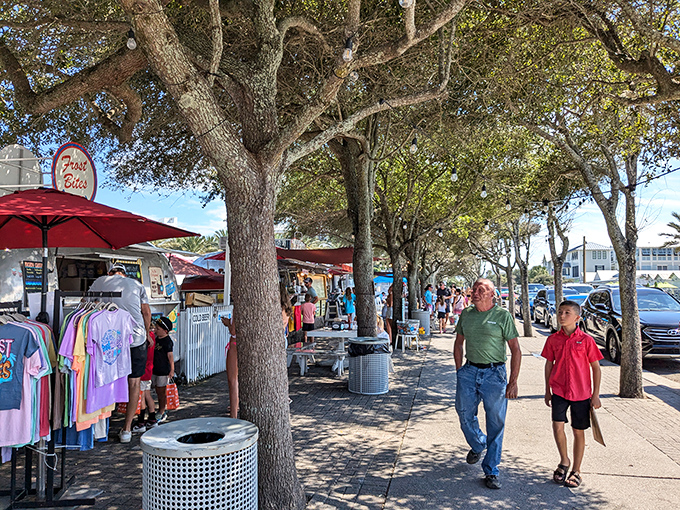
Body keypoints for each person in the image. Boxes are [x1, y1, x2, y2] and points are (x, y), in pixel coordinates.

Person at [453, 278, 521, 490]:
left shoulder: (503, 316)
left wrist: (513, 381)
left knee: (495, 423)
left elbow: (516, 349)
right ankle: (478, 443)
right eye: (474, 289)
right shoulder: (466, 314)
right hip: (469, 371)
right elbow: (458, 343)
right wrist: (459, 371)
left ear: (492, 294)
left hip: (495, 374)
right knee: (464, 413)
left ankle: (491, 469)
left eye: (480, 289)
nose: (475, 292)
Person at [542, 300, 602, 488]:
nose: (562, 315)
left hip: (581, 393)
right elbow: (549, 364)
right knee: (557, 426)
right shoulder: (553, 340)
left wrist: (596, 395)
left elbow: (596, 368)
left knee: (578, 431)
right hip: (559, 390)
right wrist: (547, 390)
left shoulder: (586, 340)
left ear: (577, 317)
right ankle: (564, 461)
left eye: (567, 312)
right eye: (560, 312)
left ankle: (577, 470)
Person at [89, 263, 151, 444]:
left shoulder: (100, 281)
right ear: (124, 274)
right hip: (136, 338)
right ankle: (127, 429)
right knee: (134, 384)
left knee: (106, 377)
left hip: (111, 340)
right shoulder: (137, 285)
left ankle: (100, 426)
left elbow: (87, 304)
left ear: (110, 273)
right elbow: (146, 312)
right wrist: (146, 333)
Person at [133, 325, 157, 432]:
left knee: (141, 396)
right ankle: (152, 418)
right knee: (147, 394)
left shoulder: (144, 337)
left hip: (143, 369)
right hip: (149, 368)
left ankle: (141, 422)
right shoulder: (152, 336)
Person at [152, 316, 175, 423]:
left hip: (163, 370)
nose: (155, 330)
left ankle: (162, 410)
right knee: (156, 390)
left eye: (158, 329)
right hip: (154, 369)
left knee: (161, 392)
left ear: (165, 331)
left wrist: (172, 369)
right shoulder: (155, 340)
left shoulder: (167, 342)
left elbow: (170, 356)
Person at [220, 313, 239, 418]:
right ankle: (235, 408)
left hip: (234, 344)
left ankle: (233, 414)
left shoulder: (237, 308)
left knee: (232, 380)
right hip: (237, 343)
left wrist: (228, 323)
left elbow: (234, 330)